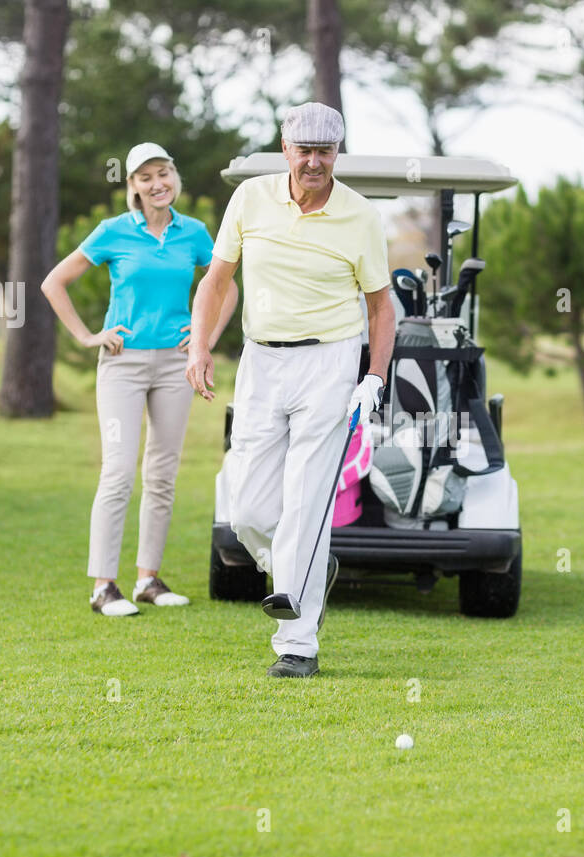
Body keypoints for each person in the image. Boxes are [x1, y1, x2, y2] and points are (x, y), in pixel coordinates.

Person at [186, 103, 396, 677]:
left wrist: (372, 377)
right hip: (261, 359)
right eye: (302, 150)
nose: (312, 162)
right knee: (248, 508)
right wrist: (200, 345)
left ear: (336, 154)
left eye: (323, 152)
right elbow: (217, 280)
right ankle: (303, 570)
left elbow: (382, 309)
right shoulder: (251, 199)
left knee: (307, 501)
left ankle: (296, 646)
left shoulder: (360, 216)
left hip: (329, 361)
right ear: (285, 149)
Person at [41, 143, 239, 616]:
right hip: (123, 365)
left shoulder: (192, 233)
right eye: (146, 176)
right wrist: (89, 336)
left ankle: (148, 578)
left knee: (162, 473)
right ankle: (103, 587)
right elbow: (53, 282)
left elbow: (225, 285)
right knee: (118, 472)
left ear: (175, 177)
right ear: (132, 185)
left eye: (164, 173)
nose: (157, 183)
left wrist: (205, 338)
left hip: (175, 365)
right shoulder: (113, 232)